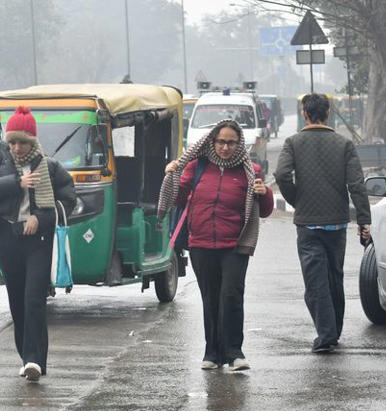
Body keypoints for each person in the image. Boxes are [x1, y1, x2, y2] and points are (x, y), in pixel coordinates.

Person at [158, 120, 274, 371]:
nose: (225, 147)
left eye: (231, 142)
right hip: (201, 244)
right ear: (212, 141)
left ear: (239, 143)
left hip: (235, 246)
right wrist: (172, 174)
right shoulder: (196, 167)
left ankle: (234, 353)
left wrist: (265, 193)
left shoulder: (250, 171)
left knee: (231, 296)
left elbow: (264, 211)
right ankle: (212, 353)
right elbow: (177, 199)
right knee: (211, 299)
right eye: (221, 141)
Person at [0, 106, 76, 382]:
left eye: (22, 142)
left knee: (34, 300)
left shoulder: (49, 166)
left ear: (32, 142)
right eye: (13, 142)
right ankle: (26, 356)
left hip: (38, 243)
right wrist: (17, 183)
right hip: (9, 239)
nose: (17, 148)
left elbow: (69, 199)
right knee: (17, 301)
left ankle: (34, 360)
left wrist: (41, 219)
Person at [274, 93, 371, 353]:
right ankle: (332, 331)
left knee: (315, 280)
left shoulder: (293, 142)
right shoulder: (344, 144)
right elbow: (357, 185)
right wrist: (364, 220)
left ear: (305, 114)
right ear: (328, 113)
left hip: (308, 225)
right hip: (337, 224)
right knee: (333, 278)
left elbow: (282, 175)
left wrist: (297, 201)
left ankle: (326, 335)